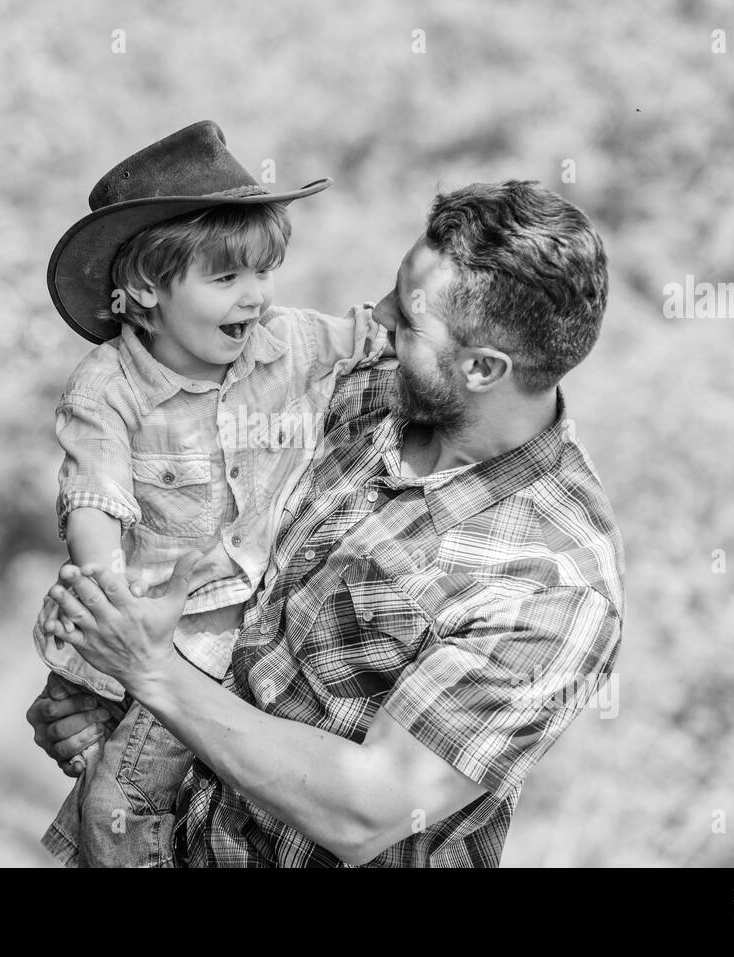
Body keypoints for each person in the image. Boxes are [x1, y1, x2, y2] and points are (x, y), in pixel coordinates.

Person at [31, 180, 625, 867]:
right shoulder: (361, 388)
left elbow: (366, 809)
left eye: (405, 318)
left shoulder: (550, 586)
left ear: (484, 367)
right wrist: (99, 692)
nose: (376, 316)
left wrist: (149, 672)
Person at [37, 120, 388, 867]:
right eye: (225, 279)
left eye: (263, 272)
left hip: (214, 638)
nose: (254, 297)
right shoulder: (111, 385)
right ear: (142, 291)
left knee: (121, 786)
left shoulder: (286, 341)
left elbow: (372, 332)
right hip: (149, 626)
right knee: (114, 783)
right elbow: (93, 497)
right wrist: (110, 601)